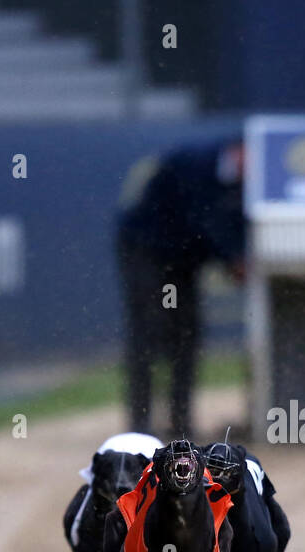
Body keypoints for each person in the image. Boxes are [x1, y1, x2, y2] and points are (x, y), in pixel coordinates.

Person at [115, 139, 246, 438]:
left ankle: (181, 423)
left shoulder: (238, 182)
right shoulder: (195, 164)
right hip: (145, 251)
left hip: (184, 260)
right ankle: (140, 425)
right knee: (147, 333)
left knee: (187, 335)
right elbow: (201, 220)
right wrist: (232, 259)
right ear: (238, 150)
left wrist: (235, 258)